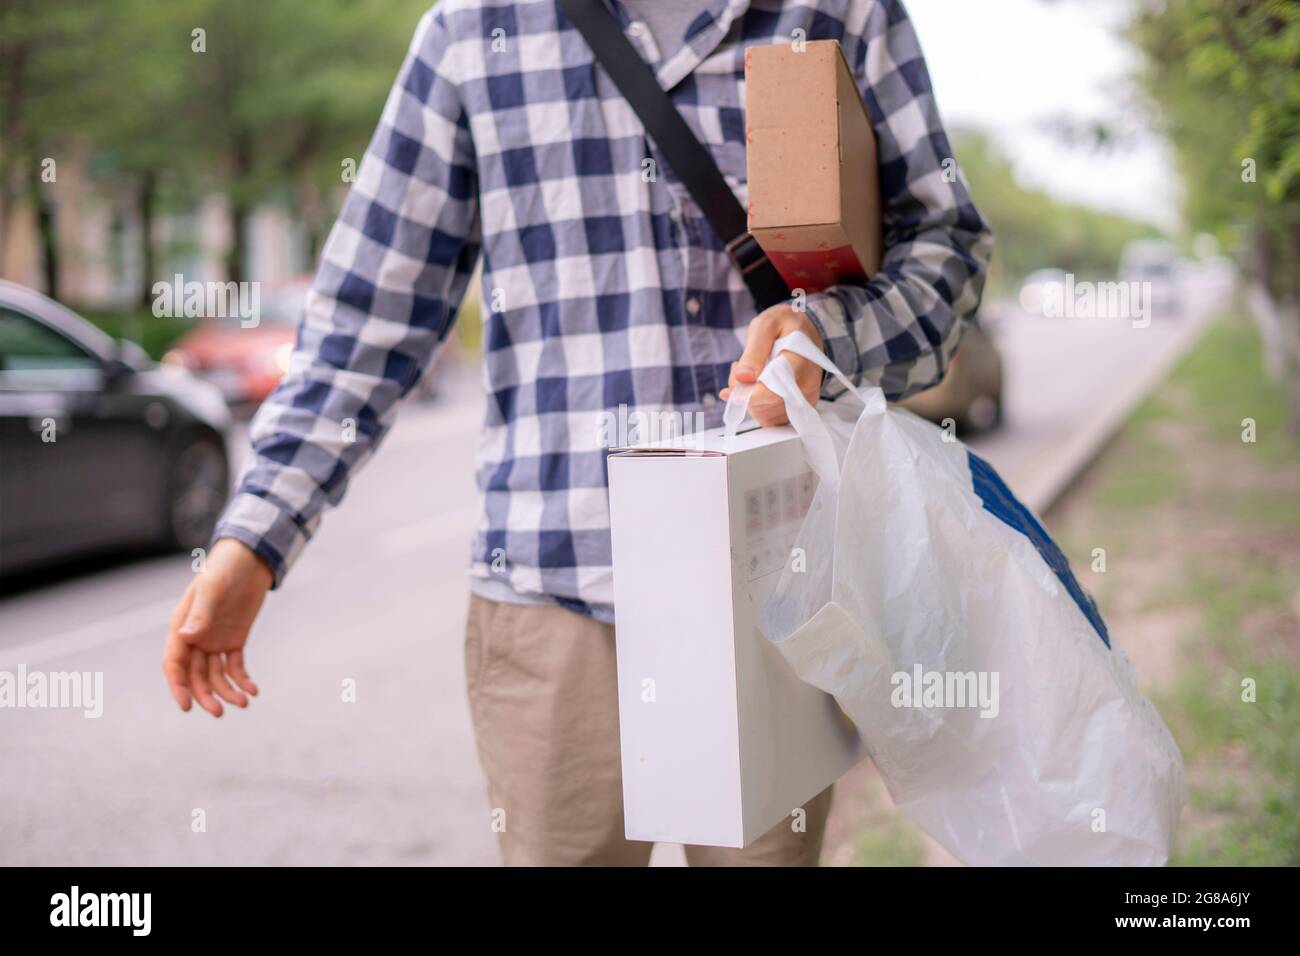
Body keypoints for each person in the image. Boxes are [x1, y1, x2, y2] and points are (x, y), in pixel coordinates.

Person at [160, 0, 992, 866]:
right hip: (550, 598)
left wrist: (833, 336)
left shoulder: (838, 10)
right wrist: (254, 535)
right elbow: (366, 319)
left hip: (776, 584)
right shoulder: (469, 31)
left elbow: (946, 244)